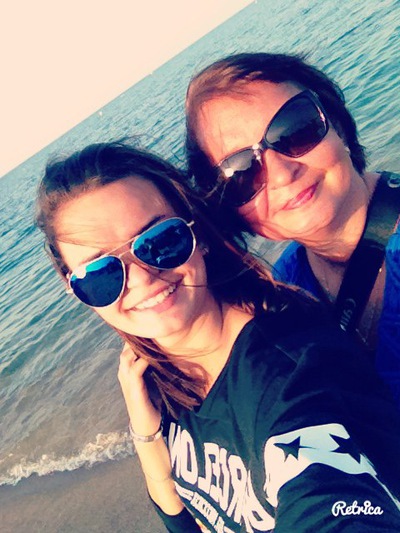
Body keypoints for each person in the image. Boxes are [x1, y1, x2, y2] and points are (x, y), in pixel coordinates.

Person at [35, 140, 400, 532]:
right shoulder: (158, 381)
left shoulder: (293, 371)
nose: (141, 279)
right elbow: (184, 519)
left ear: (200, 235)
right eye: (101, 274)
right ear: (76, 290)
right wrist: (146, 433)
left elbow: (327, 499)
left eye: (160, 241)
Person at [184, 52, 400, 407]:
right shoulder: (283, 296)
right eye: (242, 173)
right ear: (232, 209)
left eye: (296, 129)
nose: (283, 174)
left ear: (336, 124)